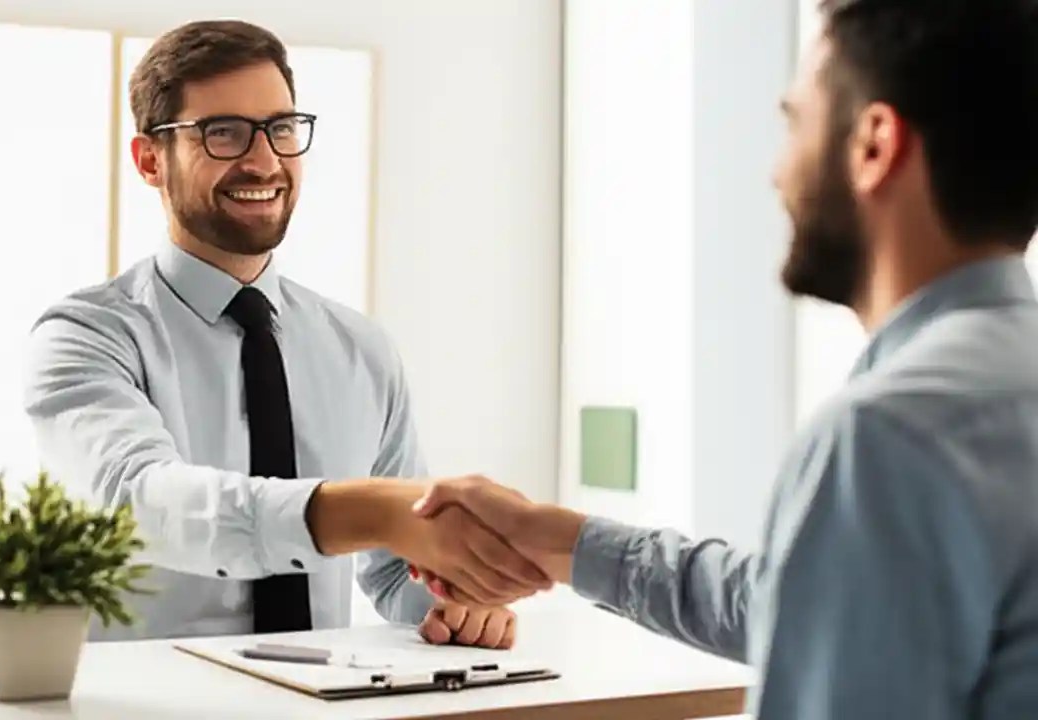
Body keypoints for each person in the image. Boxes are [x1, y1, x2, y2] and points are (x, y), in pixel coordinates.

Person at [414, 0, 1038, 716]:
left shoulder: (890, 433)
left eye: (794, 123)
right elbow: (794, 602)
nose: (777, 174)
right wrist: (562, 543)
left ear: (873, 144)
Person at [23, 20, 548, 648]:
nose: (264, 160)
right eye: (223, 133)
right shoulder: (84, 336)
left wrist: (457, 602)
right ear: (149, 161)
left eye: (280, 128)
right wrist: (371, 509)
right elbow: (145, 504)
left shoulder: (361, 350)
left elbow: (392, 570)